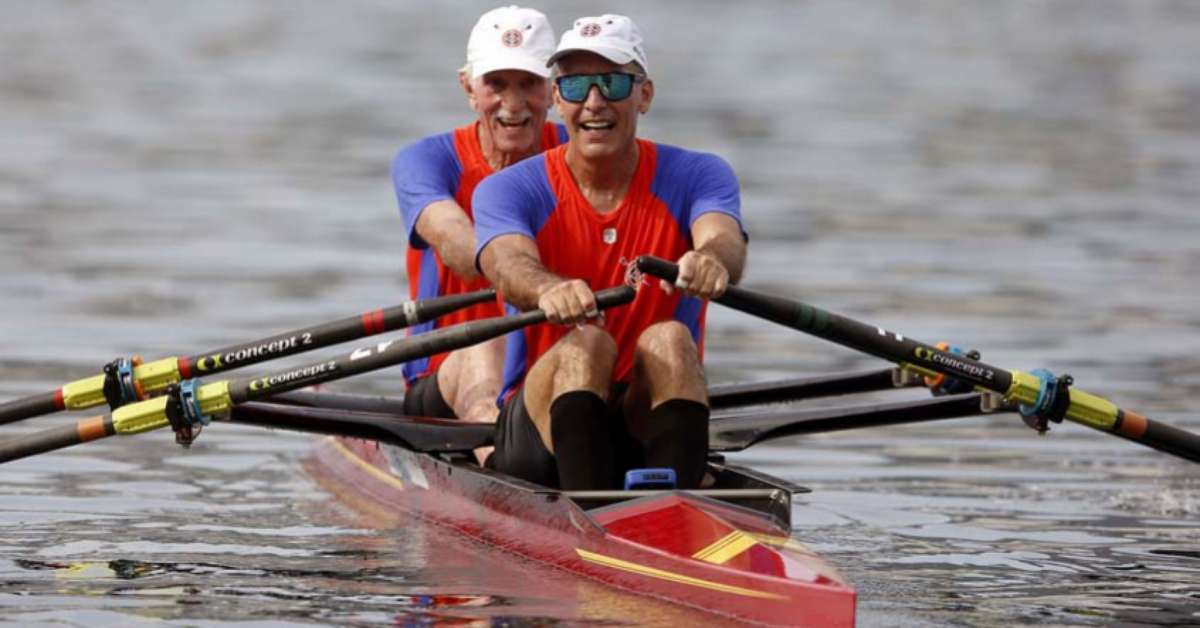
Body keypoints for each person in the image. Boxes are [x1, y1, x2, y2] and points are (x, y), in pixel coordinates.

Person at [472, 14, 746, 490]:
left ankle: (670, 515)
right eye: (576, 86)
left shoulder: (699, 174)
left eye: (612, 82)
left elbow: (723, 237)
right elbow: (507, 263)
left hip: (642, 411)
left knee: (670, 339)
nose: (594, 102)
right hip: (541, 429)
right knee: (588, 342)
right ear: (557, 99)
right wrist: (547, 289)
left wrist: (712, 260)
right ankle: (596, 518)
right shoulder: (508, 189)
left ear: (644, 94)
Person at [392, 6, 566, 457]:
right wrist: (522, 275)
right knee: (485, 348)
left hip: (552, 366)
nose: (513, 102)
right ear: (469, 87)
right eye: (496, 84)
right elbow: (454, 240)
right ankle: (504, 471)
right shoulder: (426, 161)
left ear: (554, 91)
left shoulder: (579, 156)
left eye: (528, 83)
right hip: (449, 370)